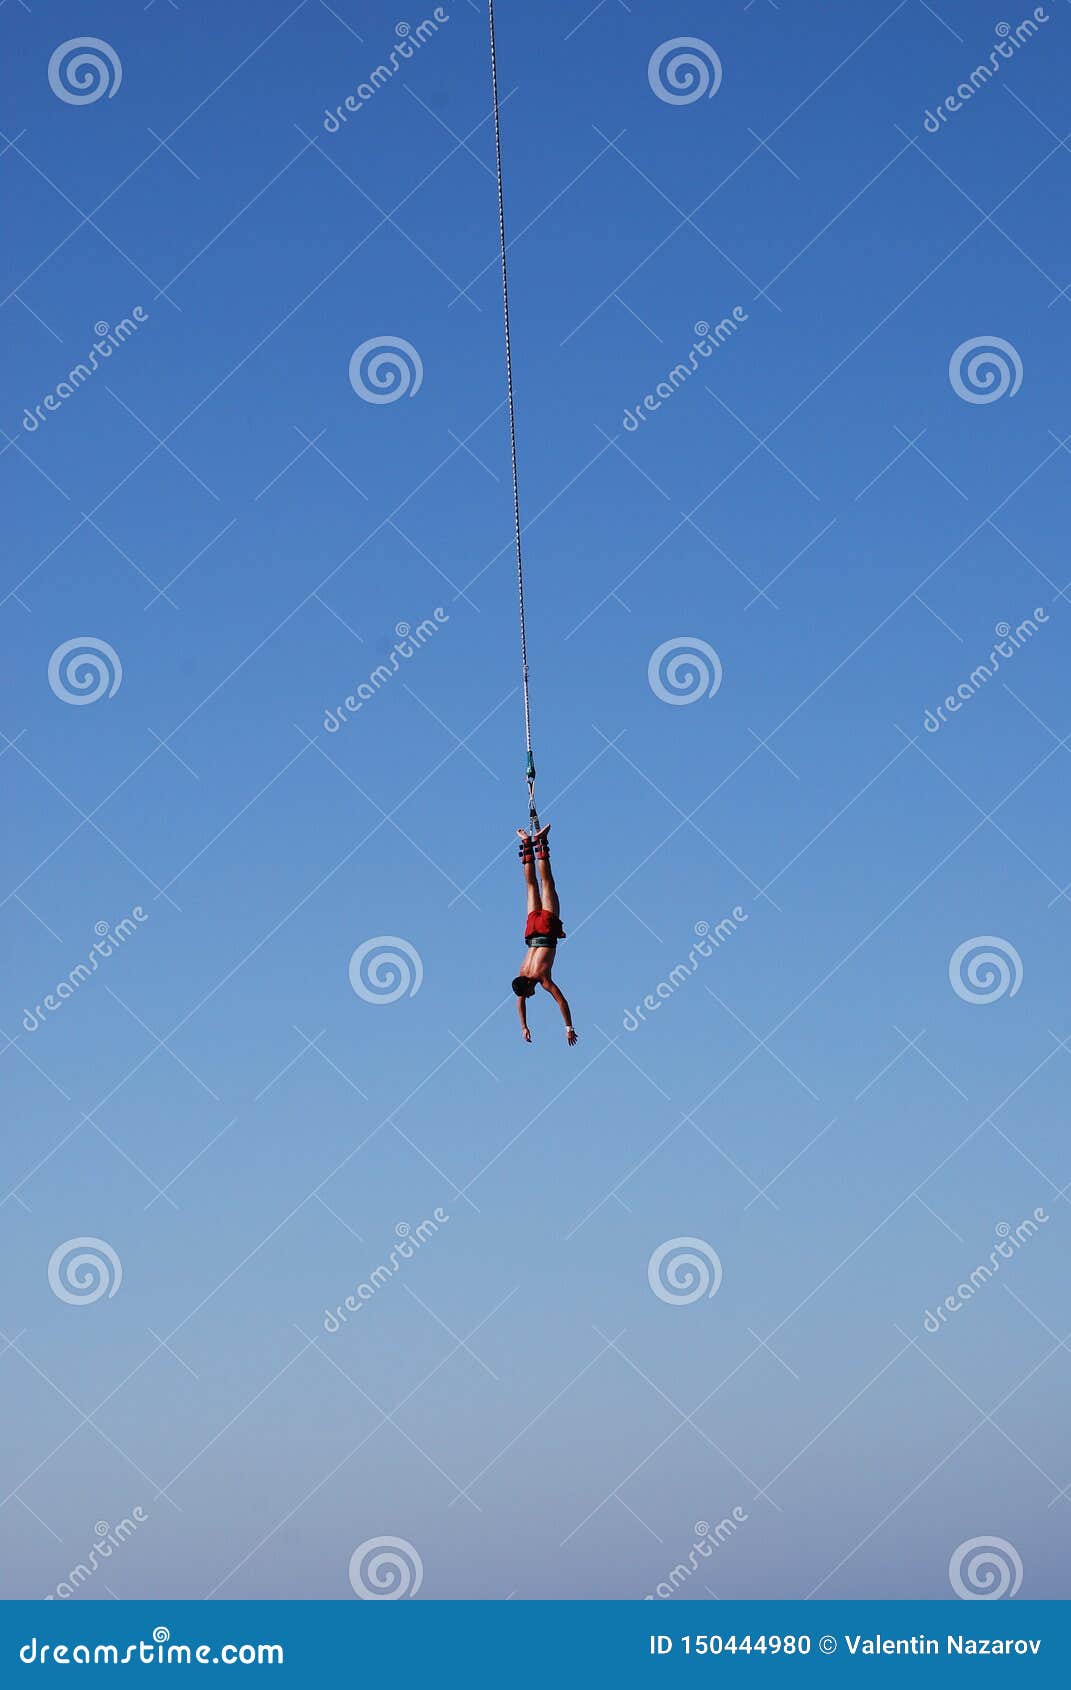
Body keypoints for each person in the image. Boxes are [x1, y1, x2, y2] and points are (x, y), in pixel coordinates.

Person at [512, 824, 578, 1046]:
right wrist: (523, 1026)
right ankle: (526, 843)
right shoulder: (522, 972)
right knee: (531, 886)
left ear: (528, 986)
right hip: (531, 930)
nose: (531, 996)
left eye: (529, 994)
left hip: (547, 928)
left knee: (547, 883)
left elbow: (561, 1001)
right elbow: (519, 1002)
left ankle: (542, 842)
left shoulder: (542, 978)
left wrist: (569, 1027)